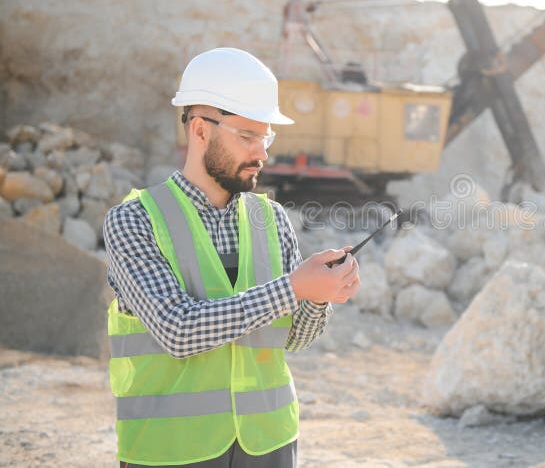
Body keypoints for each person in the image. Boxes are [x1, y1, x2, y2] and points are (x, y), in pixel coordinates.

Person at [103, 47, 360, 467]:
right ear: (200, 129)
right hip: (172, 450)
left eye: (266, 137)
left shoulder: (271, 218)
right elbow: (178, 331)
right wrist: (294, 286)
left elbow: (293, 338)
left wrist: (318, 295)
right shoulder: (135, 221)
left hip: (268, 445)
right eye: (247, 136)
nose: (262, 153)